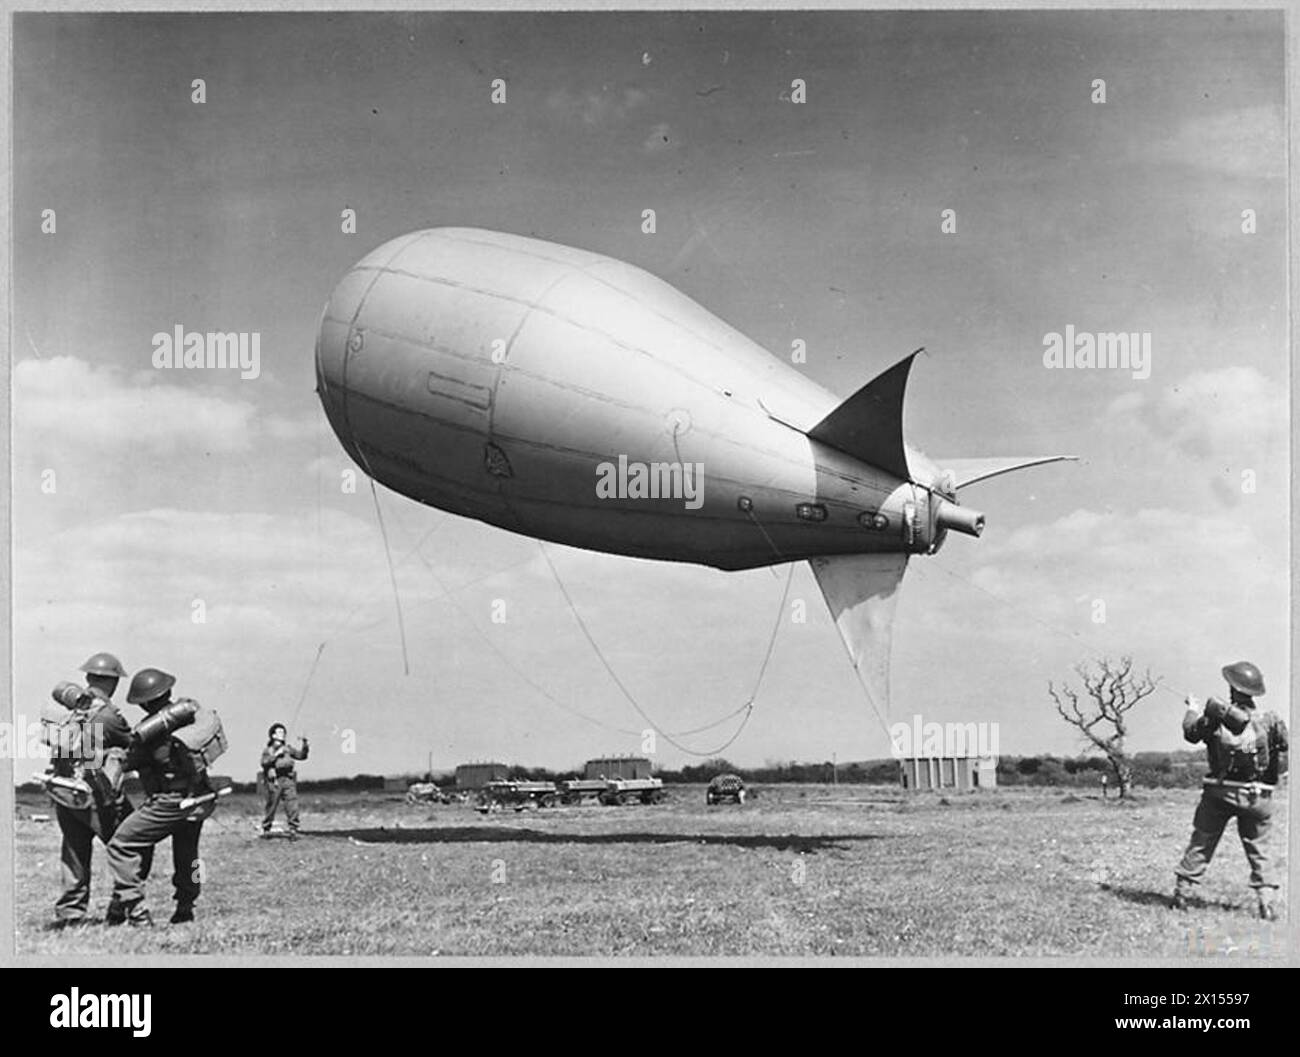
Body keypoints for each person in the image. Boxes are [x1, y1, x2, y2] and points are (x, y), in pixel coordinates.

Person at [1172, 661, 1288, 919]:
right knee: (1260, 849)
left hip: (1219, 792)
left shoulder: (1215, 718)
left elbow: (1191, 733)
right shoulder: (1271, 719)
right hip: (1259, 796)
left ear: (1232, 689)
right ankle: (1266, 904)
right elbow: (1284, 745)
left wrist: (1193, 709)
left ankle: (1182, 894)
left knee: (1202, 841)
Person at [47, 652, 152, 927]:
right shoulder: (108, 715)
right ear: (113, 682)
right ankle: (128, 907)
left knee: (74, 852)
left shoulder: (73, 709)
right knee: (132, 846)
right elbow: (132, 743)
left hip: (65, 791)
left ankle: (70, 914)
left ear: (88, 677)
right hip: (96, 794)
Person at [105, 668, 212, 927]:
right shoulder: (190, 718)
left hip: (168, 802)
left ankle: (136, 908)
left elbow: (129, 761)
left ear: (143, 703)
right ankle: (186, 908)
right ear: (168, 692)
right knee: (189, 856)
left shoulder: (147, 734)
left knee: (121, 844)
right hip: (198, 797)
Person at [261, 723, 309, 840]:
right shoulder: (268, 750)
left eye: (283, 732)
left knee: (292, 804)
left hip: (288, 780)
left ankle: (293, 829)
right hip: (275, 781)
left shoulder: (288, 749)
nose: (283, 734)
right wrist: (276, 755)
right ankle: (267, 828)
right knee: (272, 805)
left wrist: (305, 745)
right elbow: (264, 762)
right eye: (280, 732)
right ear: (273, 735)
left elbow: (301, 756)